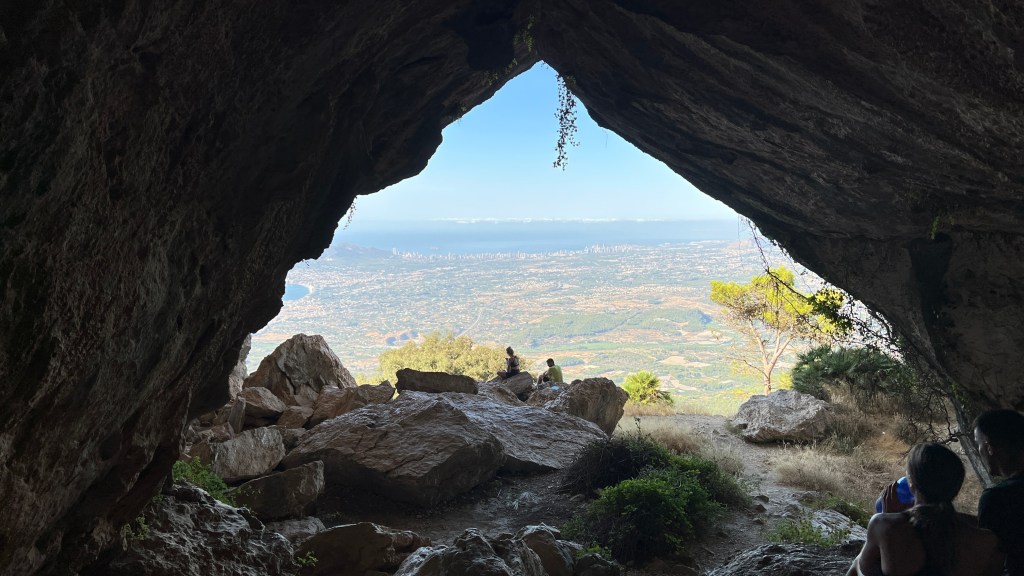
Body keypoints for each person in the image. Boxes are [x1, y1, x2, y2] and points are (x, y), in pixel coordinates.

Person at [847, 442, 1002, 576]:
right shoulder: (986, 537)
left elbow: (863, 570)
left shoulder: (887, 526)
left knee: (858, 562)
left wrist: (888, 517)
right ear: (956, 486)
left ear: (911, 483)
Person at [974, 409, 1024, 576]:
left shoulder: (998, 499)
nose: (978, 450)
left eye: (978, 443)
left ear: (989, 447)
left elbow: (989, 566)